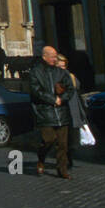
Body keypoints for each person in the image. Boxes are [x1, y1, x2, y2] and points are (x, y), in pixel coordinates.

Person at [29, 45, 74, 179]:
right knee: (49, 140)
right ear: (45, 57)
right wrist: (53, 99)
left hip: (61, 112)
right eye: (53, 56)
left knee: (63, 144)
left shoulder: (61, 72)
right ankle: (41, 158)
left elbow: (70, 89)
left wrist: (62, 98)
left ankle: (62, 170)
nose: (55, 59)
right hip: (45, 112)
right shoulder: (36, 72)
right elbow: (36, 91)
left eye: (56, 56)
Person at [57, 54, 89, 171]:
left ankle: (68, 158)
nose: (62, 69)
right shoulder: (53, 78)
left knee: (71, 139)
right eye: (59, 67)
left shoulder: (71, 77)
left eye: (64, 66)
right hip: (61, 112)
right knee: (62, 138)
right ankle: (65, 160)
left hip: (72, 111)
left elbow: (78, 87)